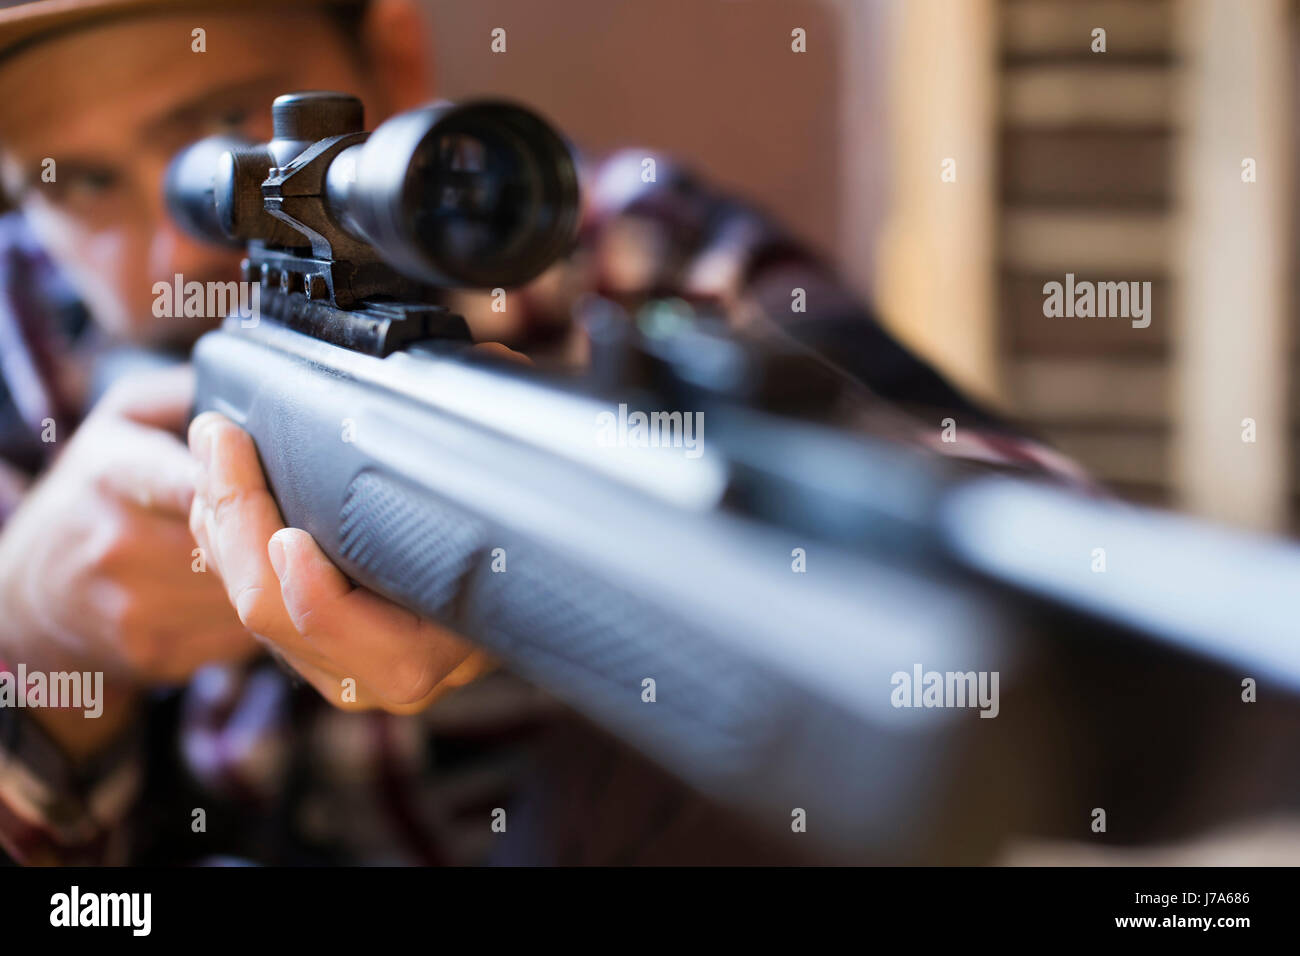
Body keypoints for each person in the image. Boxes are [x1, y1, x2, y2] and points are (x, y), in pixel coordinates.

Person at [0, 0, 1080, 864]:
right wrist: (41, 639)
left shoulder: (625, 250)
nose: (172, 258)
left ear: (394, 53)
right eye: (82, 183)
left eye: (227, 122)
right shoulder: (26, 354)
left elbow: (1029, 527)